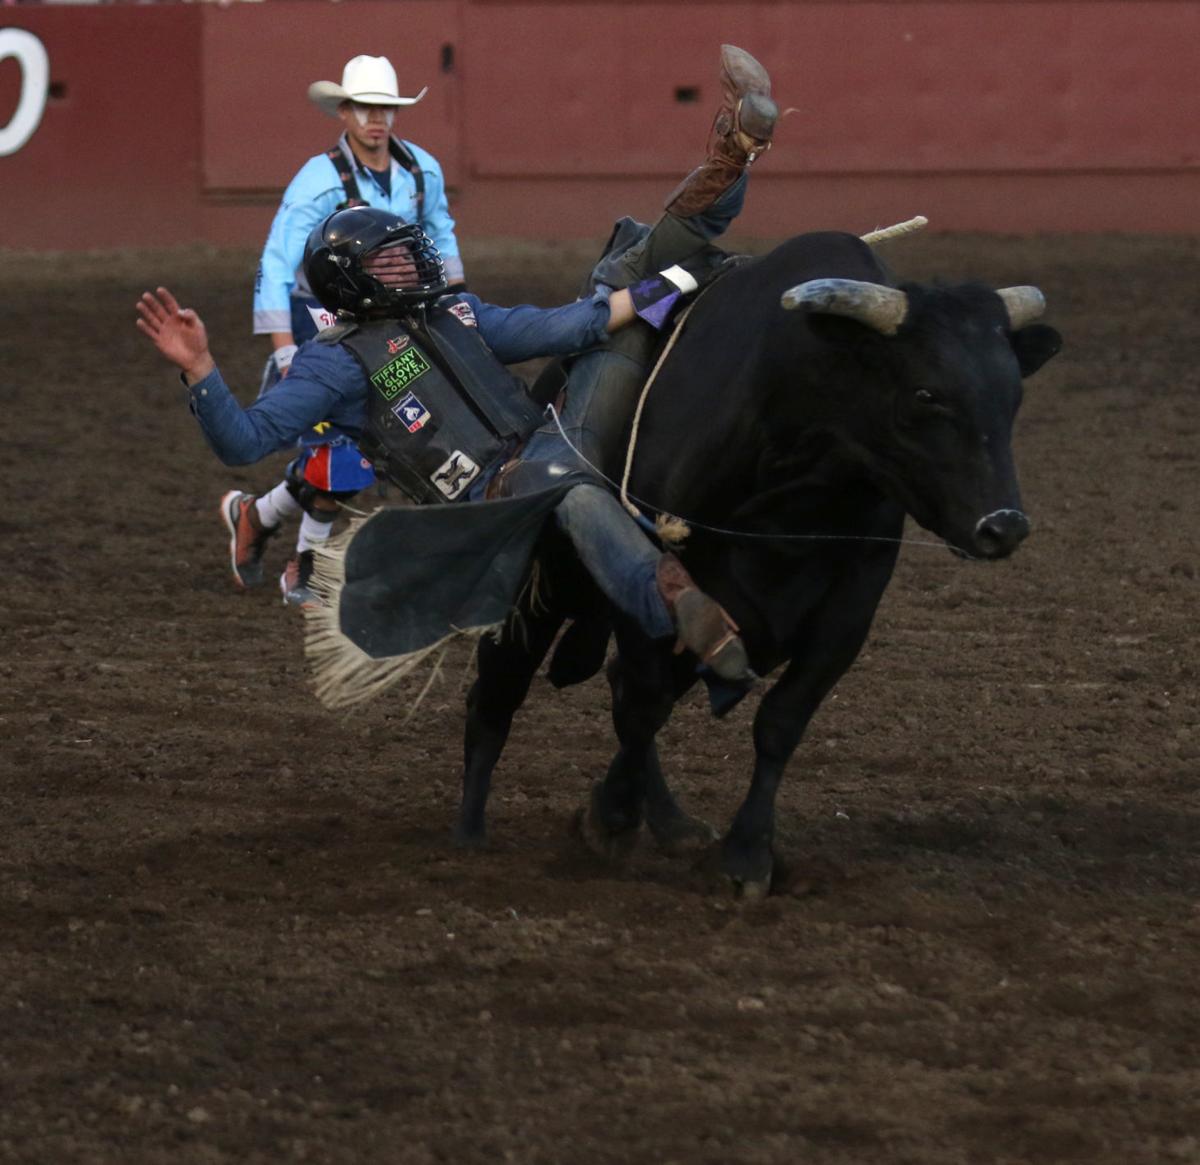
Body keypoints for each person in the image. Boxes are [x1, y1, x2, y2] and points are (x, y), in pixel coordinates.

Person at [139, 45, 778, 692]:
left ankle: (734, 159)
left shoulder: (451, 305)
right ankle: (684, 613)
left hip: (554, 438)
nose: (412, 259)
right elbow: (242, 437)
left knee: (624, 268)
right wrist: (202, 369)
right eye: (393, 259)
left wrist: (671, 285)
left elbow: (570, 323)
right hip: (496, 504)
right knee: (548, 490)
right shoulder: (336, 362)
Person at [234, 53, 466, 608]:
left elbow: (439, 233)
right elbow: (275, 258)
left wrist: (453, 304)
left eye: (384, 108)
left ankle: (256, 514)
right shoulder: (317, 181)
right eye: (365, 107)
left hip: (384, 322)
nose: (376, 119)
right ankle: (308, 568)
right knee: (342, 452)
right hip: (317, 324)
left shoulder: (420, 172)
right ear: (344, 112)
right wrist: (285, 347)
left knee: (361, 447)